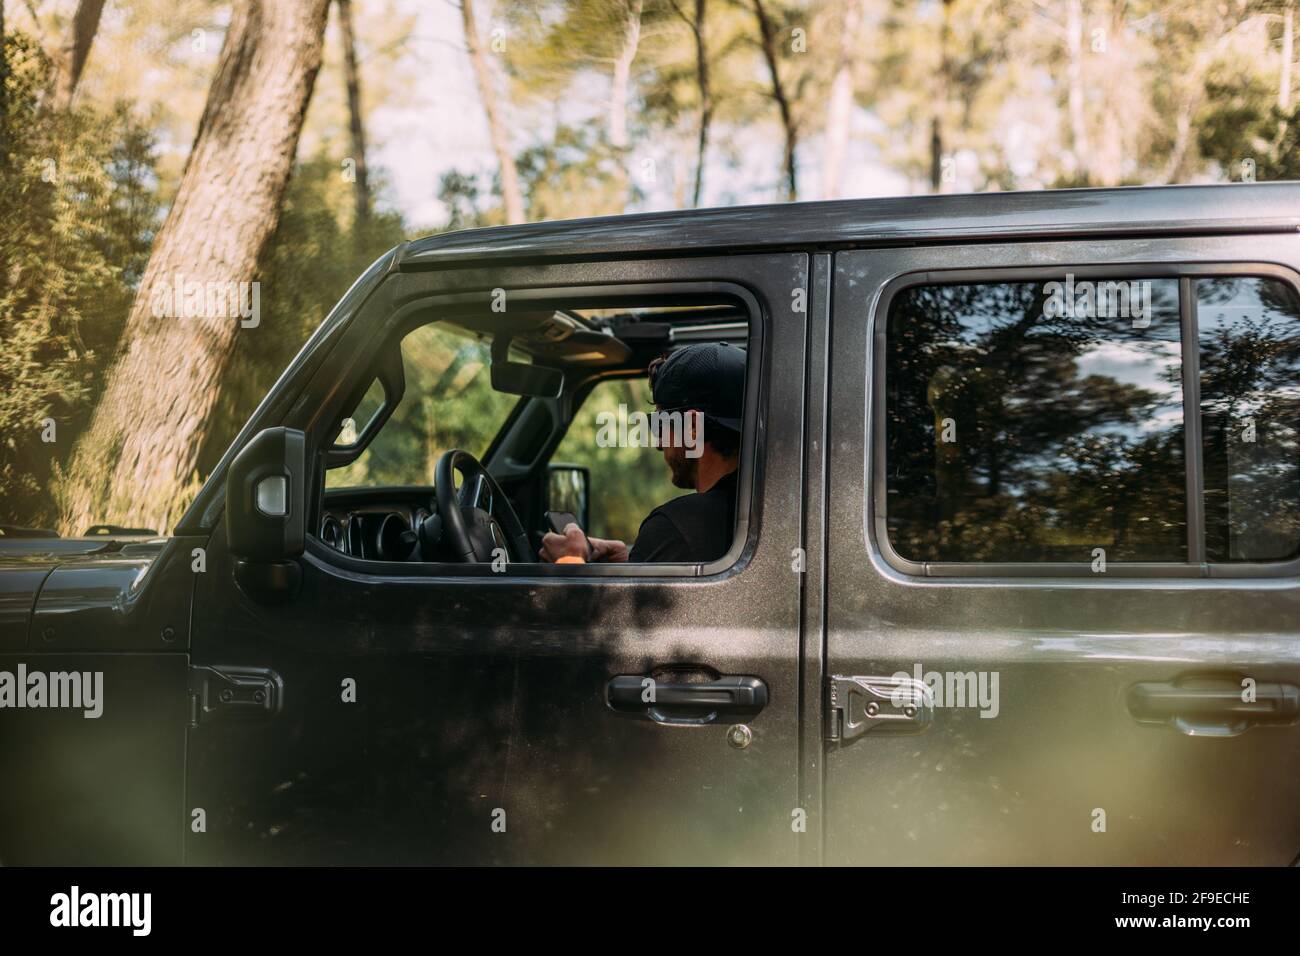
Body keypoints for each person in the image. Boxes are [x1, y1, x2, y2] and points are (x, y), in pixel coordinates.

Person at [539, 342, 745, 564]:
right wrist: (630, 567)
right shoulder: (762, 514)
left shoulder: (675, 529)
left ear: (692, 427)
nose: (657, 443)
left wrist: (570, 564)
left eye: (659, 423)